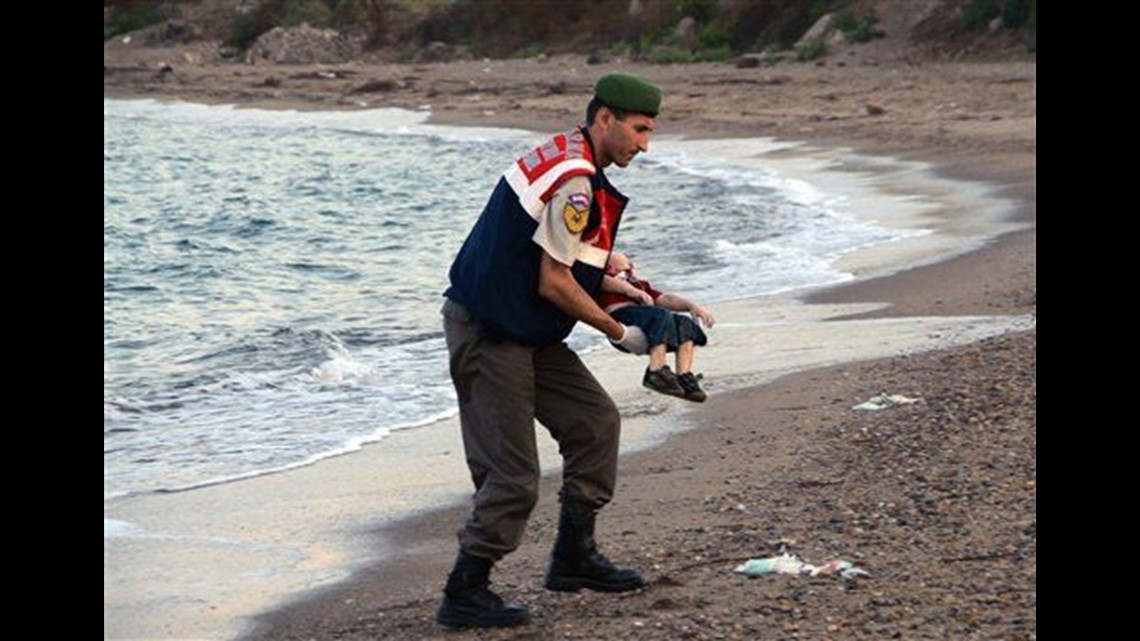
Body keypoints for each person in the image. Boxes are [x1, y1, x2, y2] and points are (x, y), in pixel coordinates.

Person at [437, 72, 662, 629]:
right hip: (489, 331)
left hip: (524, 326)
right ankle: (465, 590)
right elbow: (554, 282)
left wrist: (625, 287)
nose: (644, 145)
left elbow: (559, 260)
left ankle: (572, 557)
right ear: (605, 119)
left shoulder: (569, 155)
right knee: (512, 475)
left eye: (649, 132)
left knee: (595, 422)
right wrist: (619, 333)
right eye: (639, 130)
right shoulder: (577, 183)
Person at [597, 251, 716, 402]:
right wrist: (630, 290)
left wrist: (691, 306)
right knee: (660, 315)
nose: (629, 268)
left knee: (684, 323)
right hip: (621, 318)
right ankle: (656, 371)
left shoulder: (639, 284)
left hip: (648, 321)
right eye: (623, 267)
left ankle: (684, 376)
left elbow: (664, 299)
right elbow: (602, 280)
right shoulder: (601, 281)